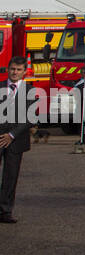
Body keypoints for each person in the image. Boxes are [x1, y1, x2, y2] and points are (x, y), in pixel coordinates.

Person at [0, 58, 38, 223]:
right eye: (12, 69)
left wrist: (12, 135)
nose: (15, 72)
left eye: (18, 70)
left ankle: (5, 212)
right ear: (8, 69)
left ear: (24, 72)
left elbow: (30, 117)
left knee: (10, 176)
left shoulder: (30, 90)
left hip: (16, 140)